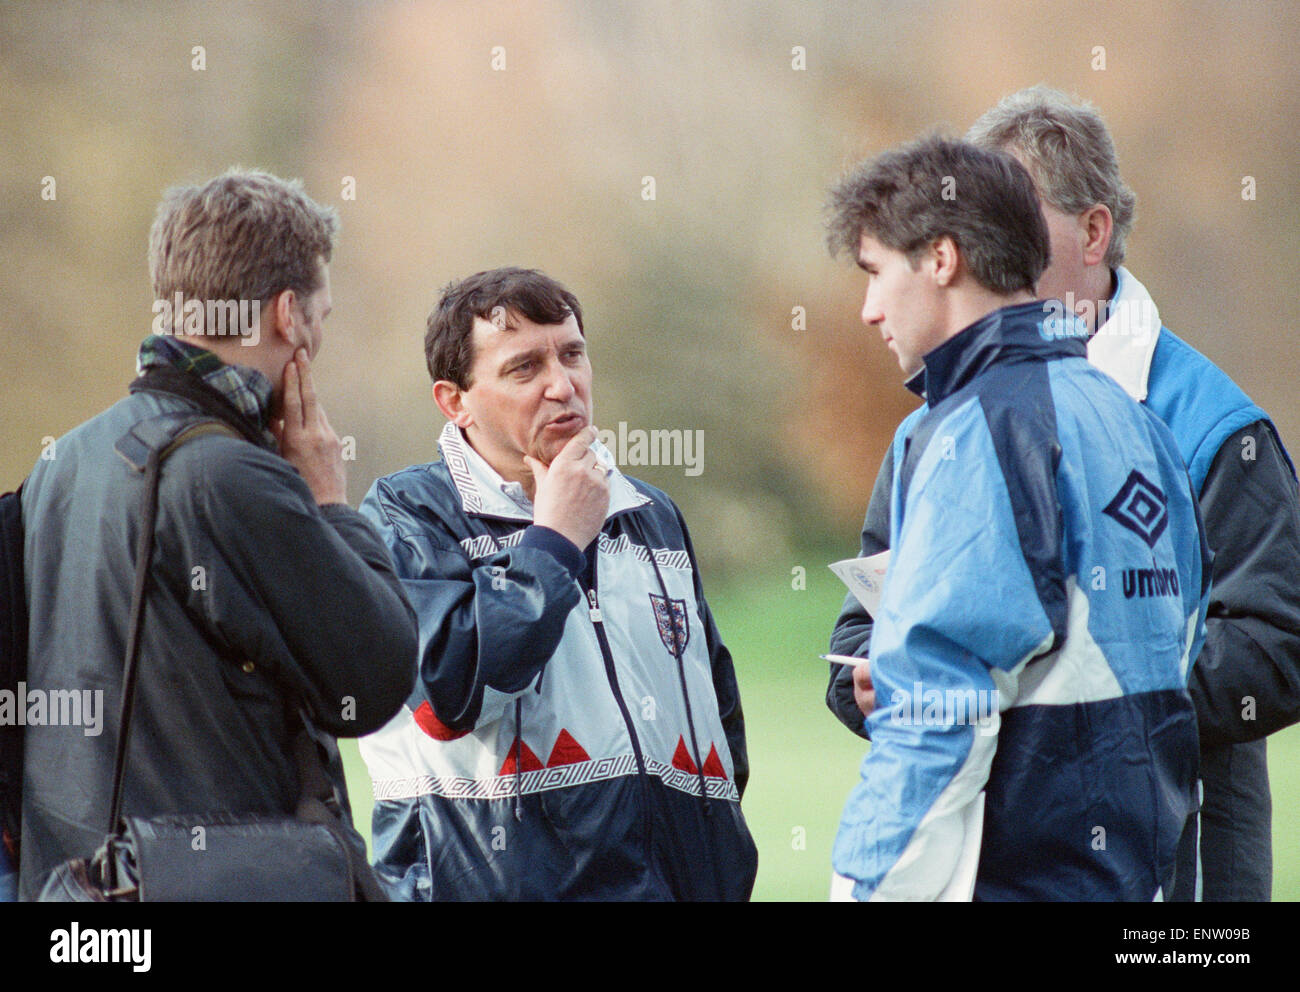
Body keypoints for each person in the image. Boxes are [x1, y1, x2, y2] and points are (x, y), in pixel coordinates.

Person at [828, 87, 1300, 901]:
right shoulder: (942, 422)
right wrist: (878, 669)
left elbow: (1277, 645)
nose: (990, 239)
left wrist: (1056, 688)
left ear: (1093, 231)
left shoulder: (1199, 421)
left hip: (1187, 864)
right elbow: (874, 631)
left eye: (1014, 215)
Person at [17, 169, 417, 899]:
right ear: (288, 314)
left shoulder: (61, 463)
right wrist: (329, 501)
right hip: (211, 884)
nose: (319, 336)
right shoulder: (226, 477)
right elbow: (376, 676)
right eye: (321, 314)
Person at [356, 266, 757, 900]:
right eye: (524, 368)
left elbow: (718, 723)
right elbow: (449, 695)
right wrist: (555, 541)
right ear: (453, 401)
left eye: (572, 355)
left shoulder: (652, 515)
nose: (562, 385)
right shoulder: (406, 515)